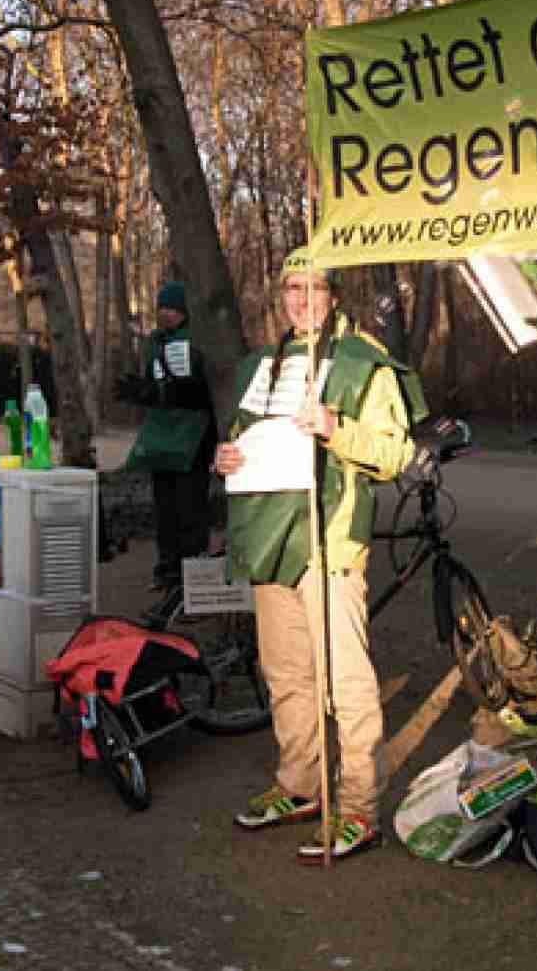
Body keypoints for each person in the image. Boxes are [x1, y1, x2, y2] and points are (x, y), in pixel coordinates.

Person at [212, 248, 425, 863]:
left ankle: (358, 807)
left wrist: (335, 428)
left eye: (314, 289)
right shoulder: (263, 364)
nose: (302, 301)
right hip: (269, 539)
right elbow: (245, 440)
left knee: (345, 682)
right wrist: (227, 457)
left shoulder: (364, 363)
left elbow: (395, 454)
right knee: (286, 676)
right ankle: (301, 785)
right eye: (292, 289)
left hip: (330, 540)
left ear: (333, 295)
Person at [119, 281, 218, 589]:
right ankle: (167, 570)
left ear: (185, 311)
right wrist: (142, 392)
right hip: (161, 438)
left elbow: (206, 389)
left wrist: (172, 394)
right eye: (162, 308)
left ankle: (193, 577)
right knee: (164, 509)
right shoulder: (154, 342)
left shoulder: (200, 340)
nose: (165, 314)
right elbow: (154, 383)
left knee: (191, 508)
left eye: (172, 309)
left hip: (194, 437)